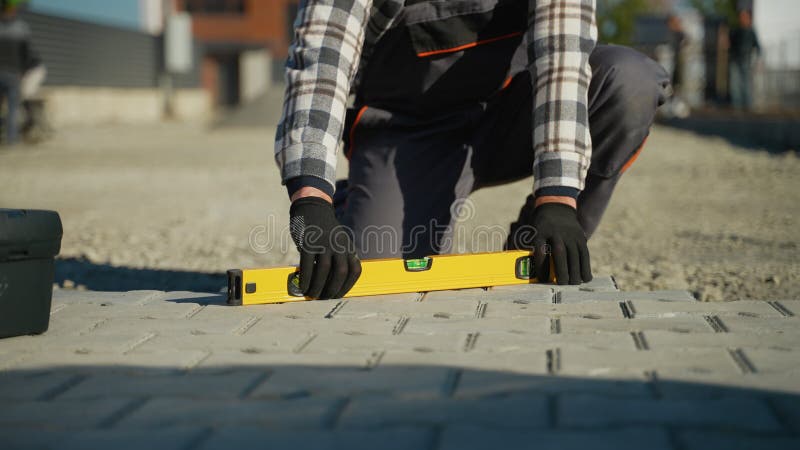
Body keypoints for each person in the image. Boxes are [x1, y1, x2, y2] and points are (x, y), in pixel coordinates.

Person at [276, 0, 670, 299]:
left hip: (513, 114)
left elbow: (563, 51)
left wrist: (557, 197)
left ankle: (536, 246)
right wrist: (312, 198)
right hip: (408, 130)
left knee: (629, 82)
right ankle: (353, 202)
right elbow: (324, 50)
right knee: (377, 277)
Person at [0, 0, 38, 145]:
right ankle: (11, 140)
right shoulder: (21, 28)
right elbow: (26, 54)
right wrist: (24, 71)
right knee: (12, 109)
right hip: (13, 73)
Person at [728, 9, 760, 110]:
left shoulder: (751, 32)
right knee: (735, 83)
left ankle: (748, 106)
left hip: (746, 60)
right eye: (741, 17)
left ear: (748, 18)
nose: (743, 19)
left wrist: (758, 61)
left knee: (746, 83)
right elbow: (729, 44)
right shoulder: (736, 31)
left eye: (744, 17)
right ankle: (737, 106)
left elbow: (758, 47)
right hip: (735, 60)